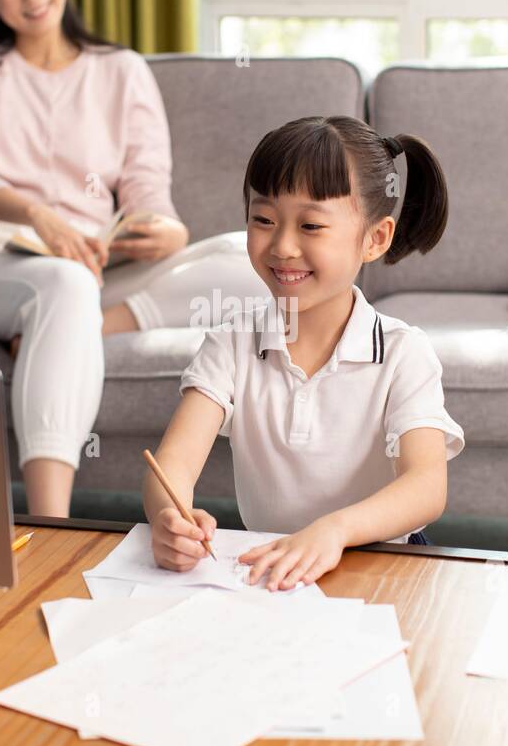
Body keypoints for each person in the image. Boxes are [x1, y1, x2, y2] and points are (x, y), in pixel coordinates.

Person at [0, 0, 267, 516]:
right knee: (64, 281)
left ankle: (87, 321)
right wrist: (40, 217)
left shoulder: (120, 70)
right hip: (2, 255)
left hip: (98, 262)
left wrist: (164, 231)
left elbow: (146, 187)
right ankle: (51, 520)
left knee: (254, 258)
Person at [142, 116, 465, 590]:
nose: (282, 245)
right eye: (263, 219)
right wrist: (168, 516)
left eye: (311, 225)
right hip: (273, 572)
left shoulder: (403, 353)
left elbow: (425, 488)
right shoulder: (230, 343)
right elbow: (173, 462)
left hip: (381, 567)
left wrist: (334, 530)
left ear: (375, 238)